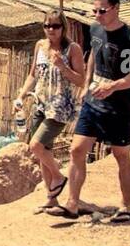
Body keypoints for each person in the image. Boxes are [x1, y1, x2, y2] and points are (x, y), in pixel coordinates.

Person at [56, 0, 130, 223]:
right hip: (93, 102)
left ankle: (126, 206)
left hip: (119, 107)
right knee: (76, 150)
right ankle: (72, 203)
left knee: (121, 156)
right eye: (94, 10)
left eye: (102, 10)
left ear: (116, 8)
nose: (97, 15)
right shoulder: (95, 29)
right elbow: (92, 56)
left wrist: (115, 86)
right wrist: (86, 84)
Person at [14, 11, 85, 208]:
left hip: (60, 107)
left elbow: (81, 80)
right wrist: (20, 96)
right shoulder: (40, 46)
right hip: (41, 104)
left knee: (35, 146)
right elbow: (33, 74)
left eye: (55, 26)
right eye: (47, 26)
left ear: (63, 28)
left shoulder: (72, 49)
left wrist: (63, 66)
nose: (51, 30)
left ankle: (59, 177)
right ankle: (51, 199)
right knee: (44, 152)